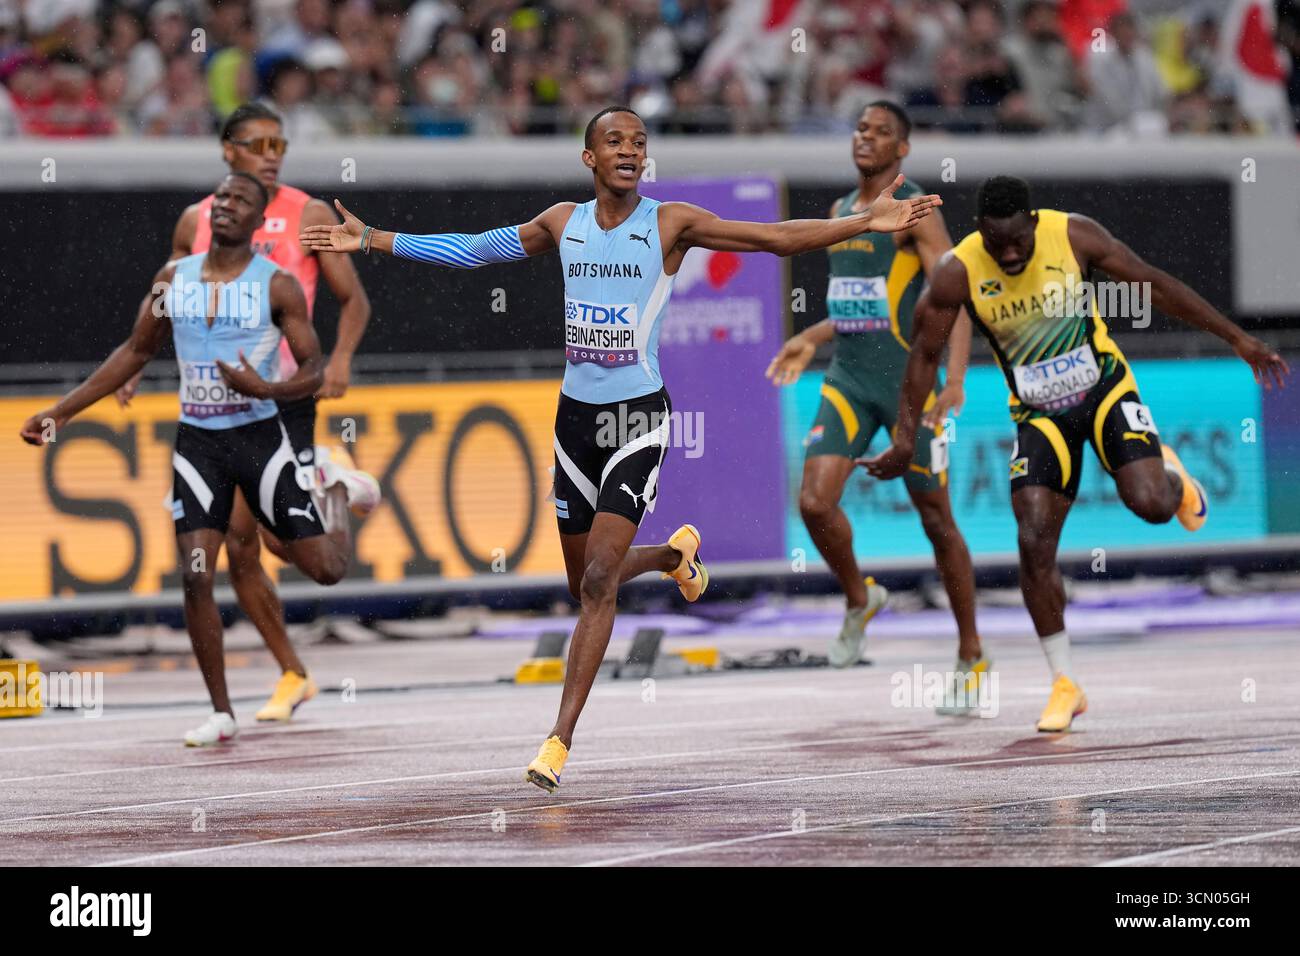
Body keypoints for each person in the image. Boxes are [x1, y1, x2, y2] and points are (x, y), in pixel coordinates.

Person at [299, 105, 942, 790]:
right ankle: (672, 555)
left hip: (636, 418)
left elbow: (776, 237)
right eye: (614, 141)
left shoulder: (669, 223)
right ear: (589, 159)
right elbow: (476, 247)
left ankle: (557, 740)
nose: (629, 150)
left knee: (600, 582)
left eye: (639, 141)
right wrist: (372, 238)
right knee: (586, 579)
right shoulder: (562, 223)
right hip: (574, 420)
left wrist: (863, 222)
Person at [865, 175, 1289, 732]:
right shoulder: (960, 270)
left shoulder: (1073, 235)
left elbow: (1153, 285)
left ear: (1033, 222)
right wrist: (903, 437)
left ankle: (1176, 481)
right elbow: (923, 357)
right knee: (1032, 537)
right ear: (981, 233)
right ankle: (1064, 681)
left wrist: (1236, 338)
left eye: (1018, 240)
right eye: (998, 243)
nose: (1010, 253)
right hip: (1040, 414)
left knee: (1151, 504)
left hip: (1104, 388)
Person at [20, 173, 370, 746]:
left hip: (261, 441)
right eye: (222, 198)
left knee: (326, 570)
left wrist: (266, 390)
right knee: (195, 574)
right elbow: (136, 350)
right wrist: (61, 412)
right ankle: (222, 710)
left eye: (241, 201)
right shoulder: (171, 280)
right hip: (200, 444)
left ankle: (331, 488)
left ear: (259, 223)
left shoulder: (277, 285)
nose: (227, 205)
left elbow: (311, 369)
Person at [117, 102, 376, 724]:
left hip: (284, 395)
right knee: (236, 544)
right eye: (258, 143)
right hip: (217, 408)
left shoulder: (307, 213)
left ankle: (334, 490)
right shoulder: (196, 221)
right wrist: (133, 368)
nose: (272, 153)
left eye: (280, 143)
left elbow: (354, 299)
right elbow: (169, 298)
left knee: (285, 547)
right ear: (227, 151)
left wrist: (337, 361)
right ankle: (292, 672)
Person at [766, 101, 987, 713]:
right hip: (848, 378)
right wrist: (810, 338)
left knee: (937, 521)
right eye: (861, 128)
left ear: (903, 148)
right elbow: (856, 305)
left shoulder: (914, 208)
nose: (866, 137)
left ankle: (971, 656)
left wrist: (954, 383)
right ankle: (859, 597)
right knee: (812, 501)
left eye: (881, 131)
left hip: (907, 389)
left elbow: (956, 297)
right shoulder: (841, 212)